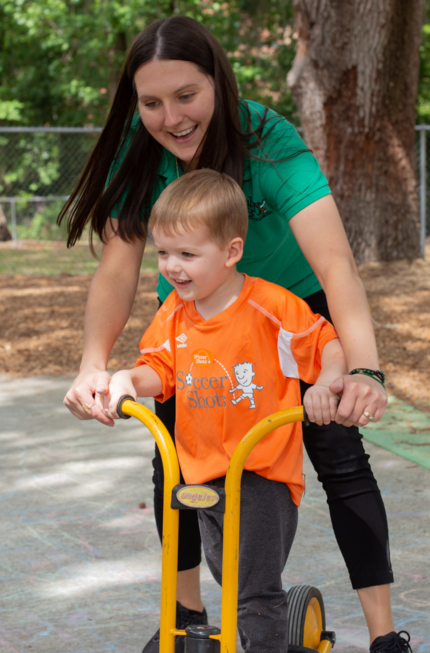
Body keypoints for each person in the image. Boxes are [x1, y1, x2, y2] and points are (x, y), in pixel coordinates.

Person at [57, 15, 407, 653]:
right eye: (151, 103)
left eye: (186, 95)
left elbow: (336, 265)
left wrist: (363, 370)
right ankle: (186, 618)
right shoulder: (140, 148)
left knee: (340, 456)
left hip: (290, 309)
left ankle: (385, 636)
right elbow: (117, 268)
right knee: (174, 461)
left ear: (218, 81)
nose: (171, 118)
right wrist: (93, 365)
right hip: (197, 316)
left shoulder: (268, 142)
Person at [100, 170, 346, 652]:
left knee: (253, 591)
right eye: (163, 253)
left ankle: (265, 638)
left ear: (232, 252)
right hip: (202, 471)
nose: (172, 267)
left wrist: (327, 382)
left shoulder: (271, 307)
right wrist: (128, 379)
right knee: (227, 575)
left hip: (261, 471)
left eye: (187, 255)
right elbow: (158, 369)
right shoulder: (174, 312)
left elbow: (327, 344)